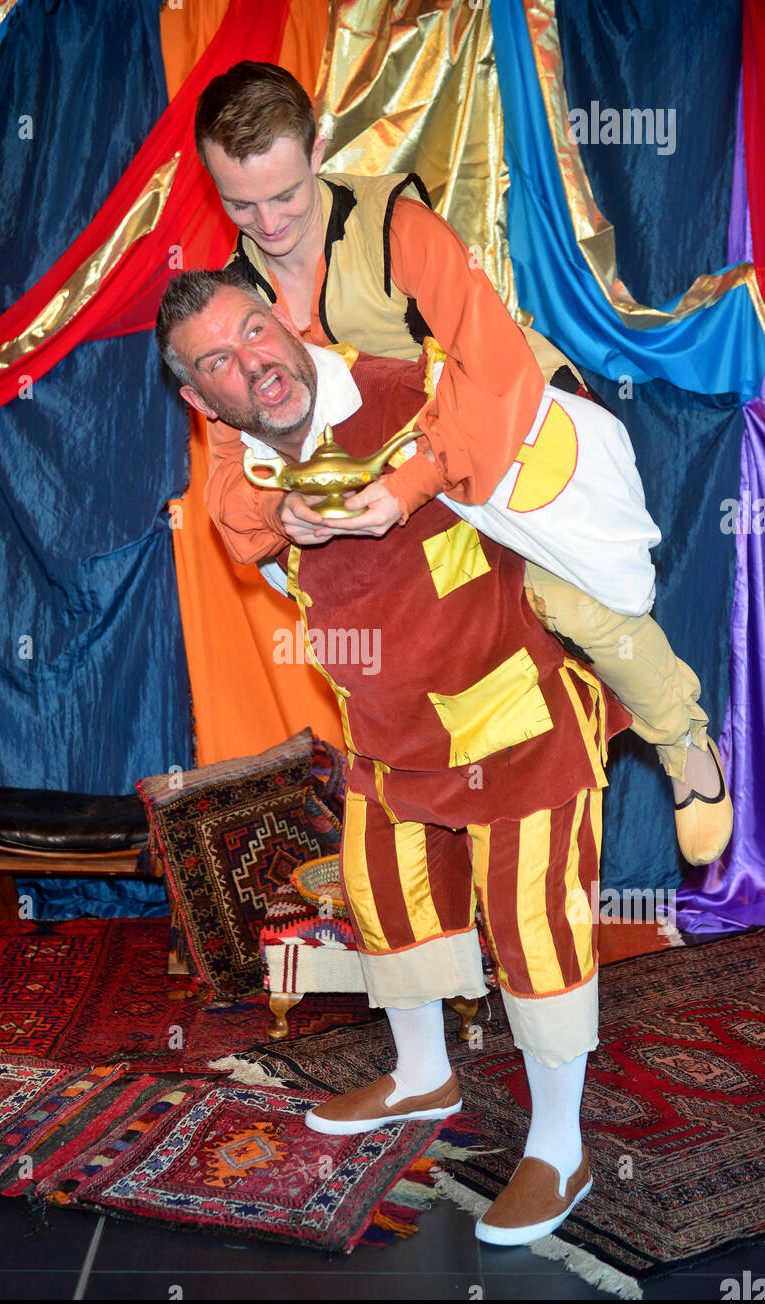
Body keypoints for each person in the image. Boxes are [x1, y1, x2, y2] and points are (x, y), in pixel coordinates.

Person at [157, 265, 639, 1246]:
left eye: (254, 328)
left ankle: (559, 1145)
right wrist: (280, 508)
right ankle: (421, 1074)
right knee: (391, 900)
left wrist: (406, 484)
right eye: (217, 360)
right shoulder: (241, 460)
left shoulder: (401, 385)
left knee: (532, 931)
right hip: (388, 735)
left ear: (286, 317)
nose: (252, 360)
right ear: (197, 396)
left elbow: (523, 415)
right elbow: (239, 530)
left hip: (517, 724)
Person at [192, 60, 732, 868]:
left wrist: (409, 485)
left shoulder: (398, 230)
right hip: (365, 513)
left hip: (481, 456)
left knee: (571, 602)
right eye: (240, 202)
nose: (266, 223)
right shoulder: (229, 304)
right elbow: (228, 487)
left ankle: (680, 734)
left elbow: (496, 372)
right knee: (379, 669)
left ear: (318, 149)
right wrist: (282, 515)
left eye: (285, 196)